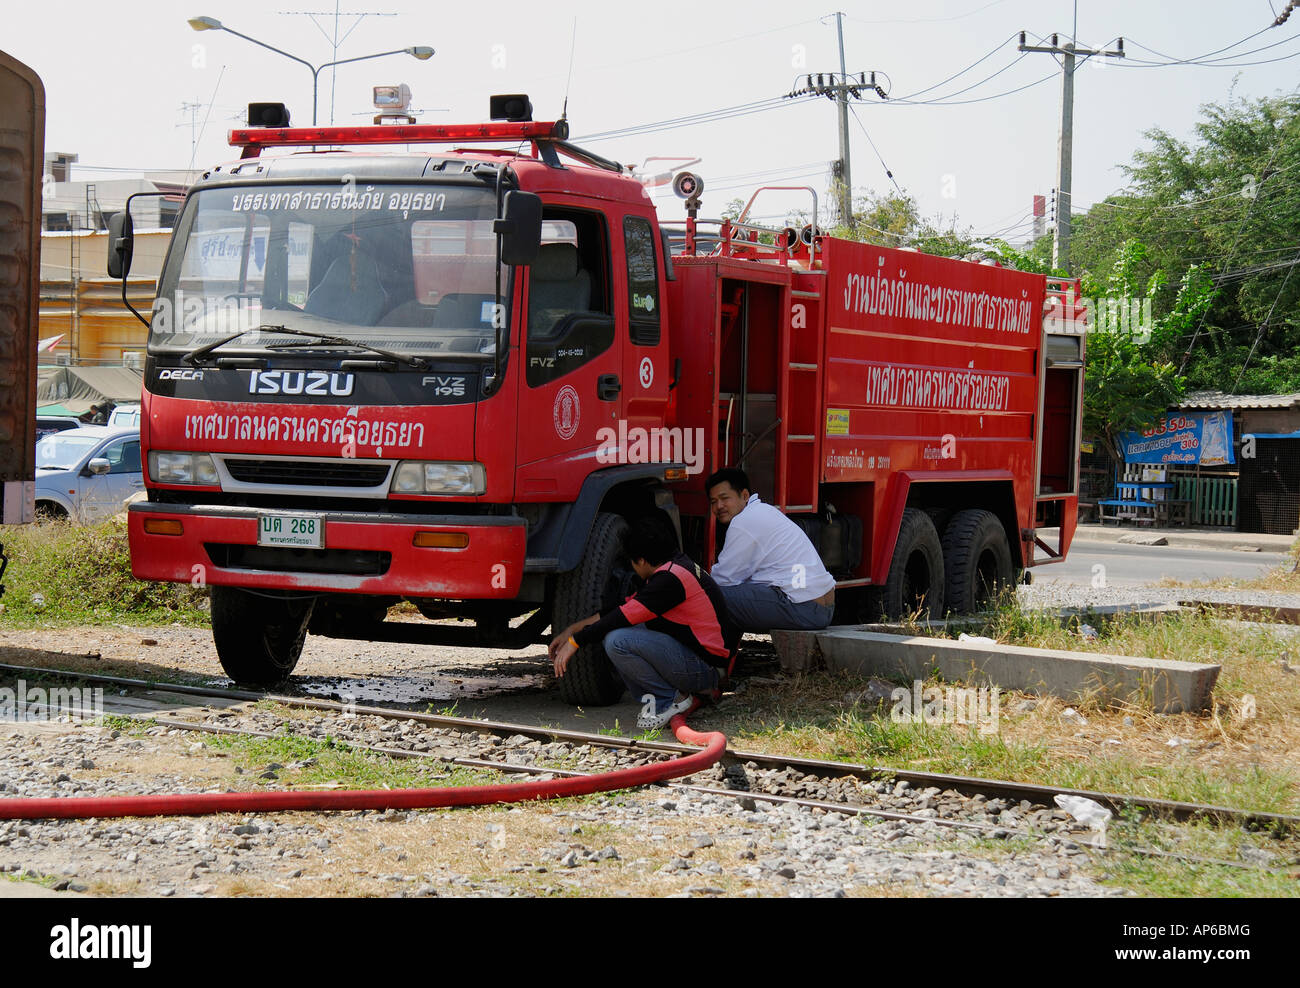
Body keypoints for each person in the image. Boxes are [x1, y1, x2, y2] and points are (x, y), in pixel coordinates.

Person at [549, 512, 739, 730]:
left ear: (640, 560)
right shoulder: (675, 566)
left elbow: (619, 618)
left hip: (705, 671)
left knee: (617, 641)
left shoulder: (670, 580)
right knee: (625, 629)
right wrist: (573, 629)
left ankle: (668, 701)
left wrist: (575, 641)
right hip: (705, 665)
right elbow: (621, 609)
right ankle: (673, 696)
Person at [706, 467, 836, 632]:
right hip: (823, 607)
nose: (719, 506)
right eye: (713, 502)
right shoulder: (764, 510)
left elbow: (723, 580)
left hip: (805, 609)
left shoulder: (744, 521)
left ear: (744, 495)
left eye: (725, 498)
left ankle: (715, 655)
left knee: (709, 596)